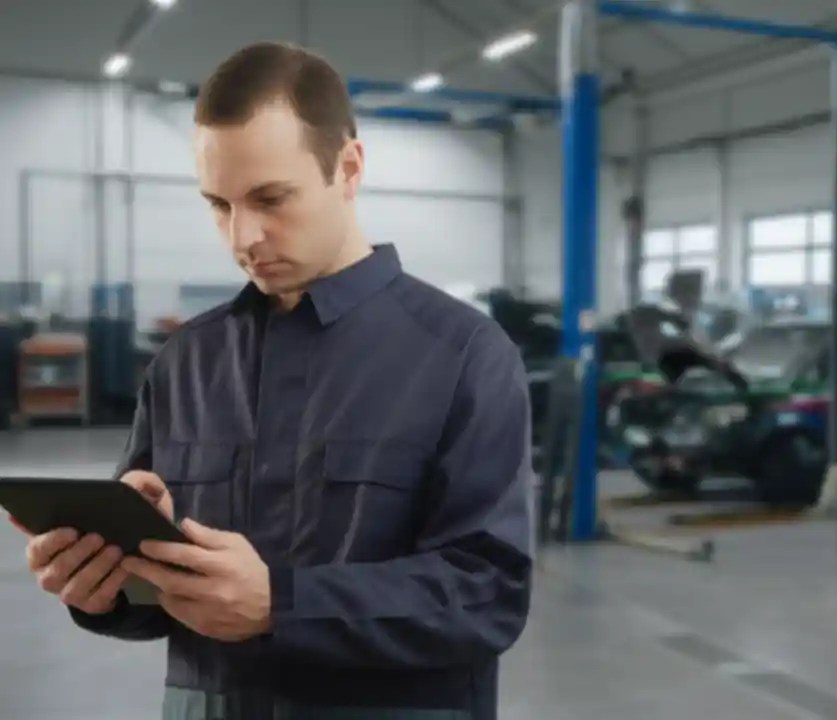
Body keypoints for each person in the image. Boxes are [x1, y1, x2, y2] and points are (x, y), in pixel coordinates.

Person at [12, 41, 533, 719]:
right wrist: (103, 584)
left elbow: (488, 594)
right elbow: (155, 603)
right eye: (218, 204)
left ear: (348, 167)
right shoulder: (185, 363)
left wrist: (282, 605)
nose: (242, 237)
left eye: (270, 198)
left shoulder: (465, 355)